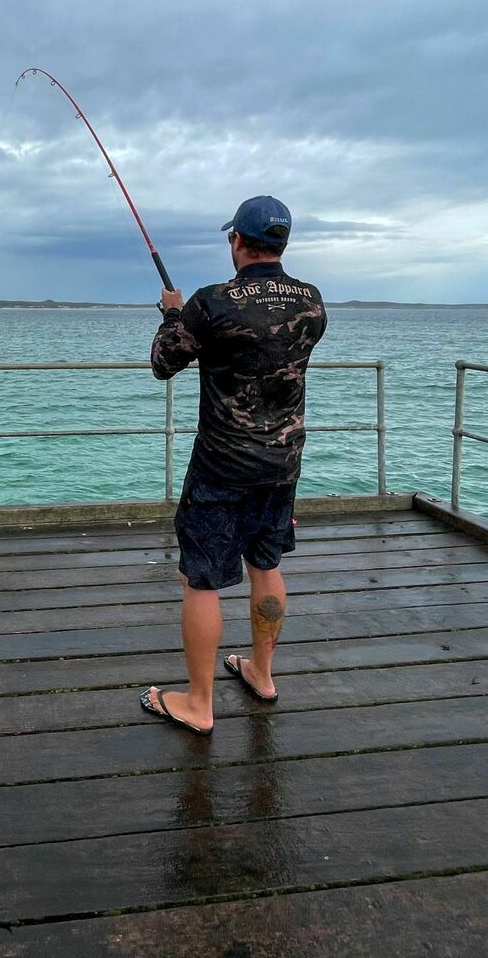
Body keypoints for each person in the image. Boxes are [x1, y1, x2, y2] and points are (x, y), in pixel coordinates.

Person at [139, 195, 327, 735]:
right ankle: (262, 674)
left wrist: (173, 313)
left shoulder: (211, 302)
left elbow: (163, 363)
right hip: (283, 463)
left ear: (236, 241)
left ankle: (199, 703)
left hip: (221, 465)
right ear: (282, 243)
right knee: (266, 565)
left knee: (201, 580)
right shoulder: (311, 301)